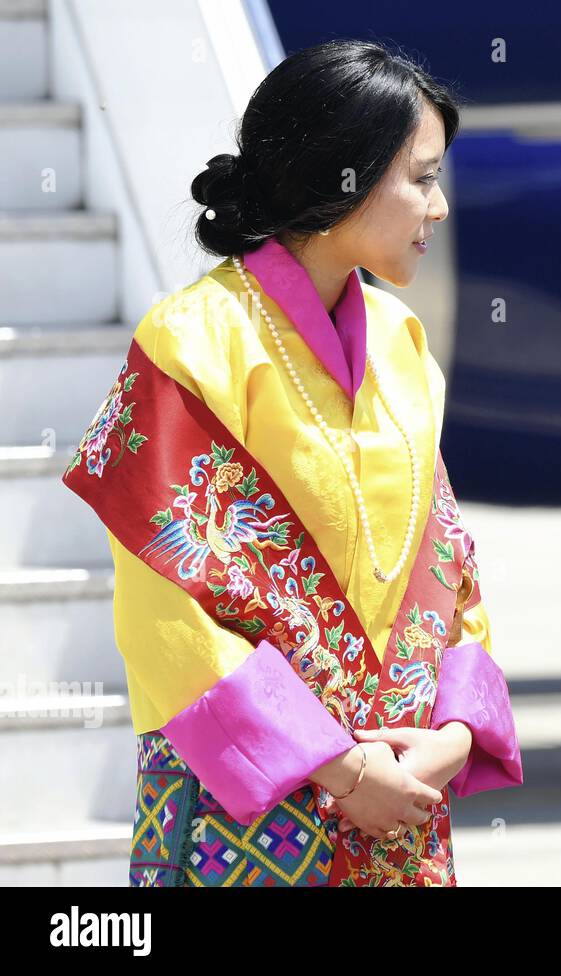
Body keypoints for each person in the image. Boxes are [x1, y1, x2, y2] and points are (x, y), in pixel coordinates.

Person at [62, 39, 522, 887]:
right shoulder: (191, 342)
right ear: (343, 176)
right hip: (247, 812)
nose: (440, 206)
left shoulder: (402, 343)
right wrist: (338, 769)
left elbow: (447, 566)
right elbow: (163, 611)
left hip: (399, 796)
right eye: (420, 178)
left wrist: (451, 739)